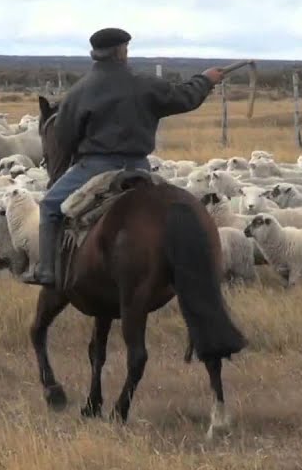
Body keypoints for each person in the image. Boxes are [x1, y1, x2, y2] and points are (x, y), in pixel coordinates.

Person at [20, 27, 225, 287]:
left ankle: (46, 270)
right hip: (139, 166)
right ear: (122, 51)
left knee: (50, 206)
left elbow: (64, 138)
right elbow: (185, 98)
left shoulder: (80, 91)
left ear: (96, 54)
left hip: (94, 168)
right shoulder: (145, 83)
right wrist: (205, 80)